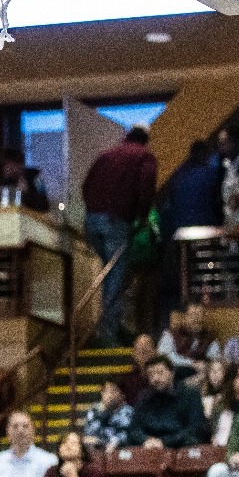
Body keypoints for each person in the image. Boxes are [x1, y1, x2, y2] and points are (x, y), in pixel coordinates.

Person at [80, 126, 158, 347]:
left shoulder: (106, 155)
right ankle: (109, 334)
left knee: (108, 274)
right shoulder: (144, 157)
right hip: (116, 221)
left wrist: (94, 211)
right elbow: (146, 189)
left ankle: (110, 327)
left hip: (91, 221)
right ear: (145, 139)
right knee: (115, 277)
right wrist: (141, 217)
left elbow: (86, 186)